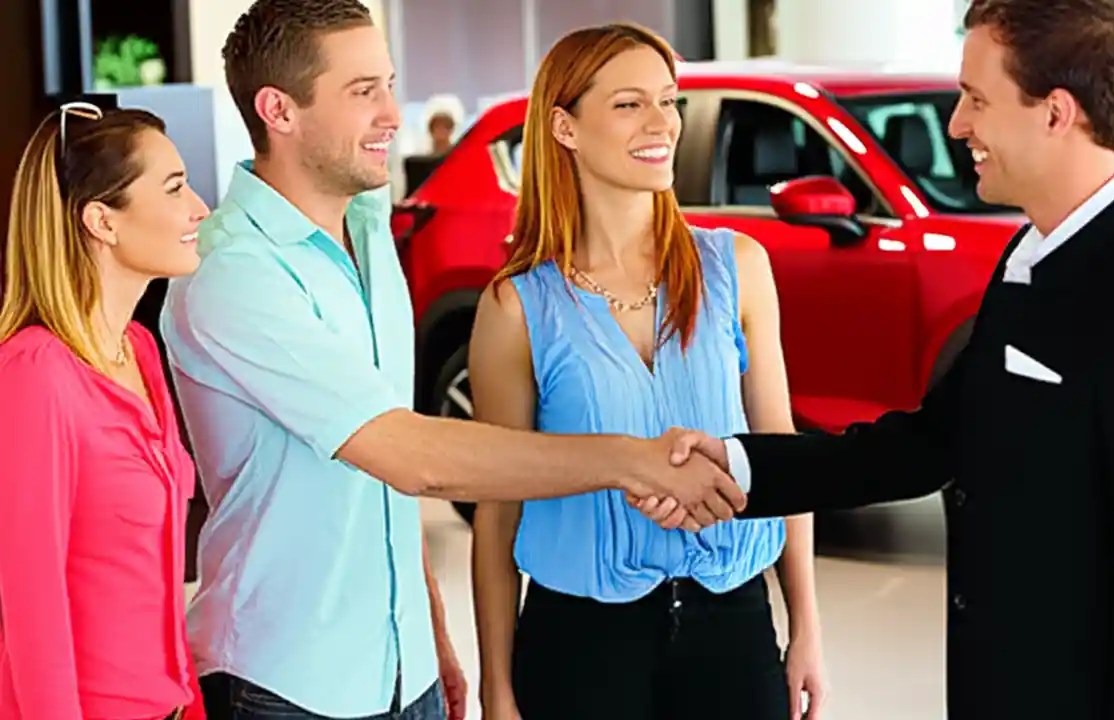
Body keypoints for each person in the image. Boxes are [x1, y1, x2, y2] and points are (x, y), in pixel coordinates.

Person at [646, 1, 1114, 719]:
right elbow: (931, 443)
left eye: (976, 100)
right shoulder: (1031, 252)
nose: (958, 125)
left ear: (1056, 113)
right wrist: (739, 467)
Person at [158, 3, 743, 720]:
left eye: (390, 84)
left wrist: (428, 625)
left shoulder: (369, 227)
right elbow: (411, 456)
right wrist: (631, 459)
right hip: (287, 686)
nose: (393, 114)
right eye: (363, 91)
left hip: (404, 673)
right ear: (278, 109)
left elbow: (380, 493)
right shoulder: (232, 274)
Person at [469, 23, 825, 720]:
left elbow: (782, 451)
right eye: (630, 104)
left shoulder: (738, 268)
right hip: (579, 640)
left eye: (669, 100)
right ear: (563, 127)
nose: (662, 122)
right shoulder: (517, 307)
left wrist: (806, 623)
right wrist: (497, 687)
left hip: (734, 622)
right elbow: (497, 506)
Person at [0, 103, 210, 720]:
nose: (199, 207)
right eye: (174, 189)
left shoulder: (140, 351)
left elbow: (160, 584)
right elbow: (30, 611)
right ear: (102, 221)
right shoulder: (35, 374)